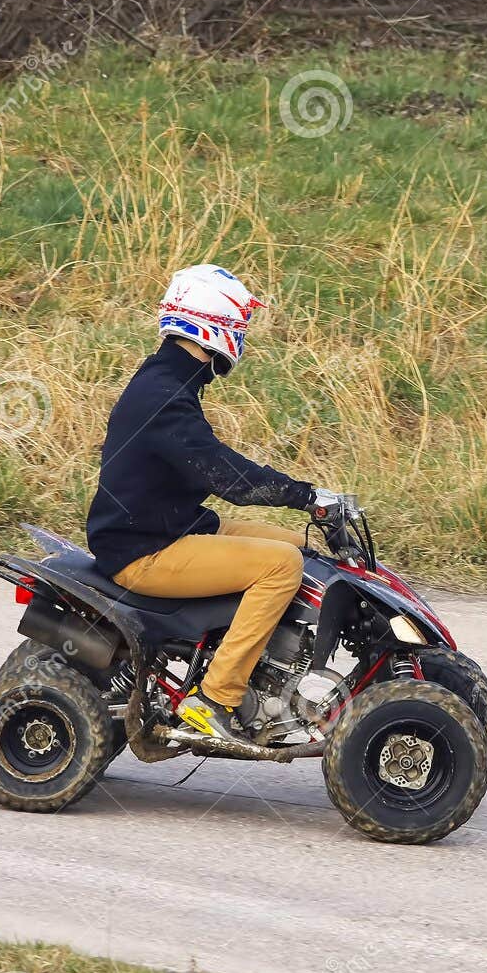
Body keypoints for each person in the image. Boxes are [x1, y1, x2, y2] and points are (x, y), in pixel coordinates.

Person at [85, 264, 336, 739]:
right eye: (239, 326)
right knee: (280, 566)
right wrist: (306, 495)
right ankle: (216, 698)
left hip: (176, 526)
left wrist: (312, 508)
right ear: (214, 327)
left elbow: (214, 467)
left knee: (302, 553)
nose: (242, 336)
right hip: (146, 551)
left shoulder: (168, 381)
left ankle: (274, 671)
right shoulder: (165, 397)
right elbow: (227, 475)